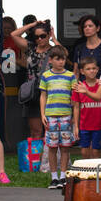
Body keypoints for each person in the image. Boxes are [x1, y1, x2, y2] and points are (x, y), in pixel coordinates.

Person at [39, 45, 76, 189]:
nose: (61, 62)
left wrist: (73, 114)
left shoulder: (71, 75)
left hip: (66, 115)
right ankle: (54, 177)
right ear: (50, 60)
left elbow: (74, 97)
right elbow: (43, 96)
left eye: (63, 59)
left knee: (65, 147)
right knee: (52, 147)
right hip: (51, 116)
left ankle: (63, 176)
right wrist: (42, 114)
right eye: (58, 59)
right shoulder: (46, 76)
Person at [21, 21, 57, 145]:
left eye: (43, 36)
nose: (40, 39)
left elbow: (65, 53)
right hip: (33, 93)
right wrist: (33, 25)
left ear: (48, 35)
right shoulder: (31, 47)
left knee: (51, 130)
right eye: (37, 37)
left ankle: (49, 161)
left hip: (51, 93)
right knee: (36, 131)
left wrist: (54, 38)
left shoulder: (54, 50)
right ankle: (36, 161)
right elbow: (14, 35)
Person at [72, 57, 101, 158]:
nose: (91, 71)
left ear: (97, 69)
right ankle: (86, 173)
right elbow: (76, 107)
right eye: (88, 69)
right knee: (84, 152)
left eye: (94, 68)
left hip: (99, 126)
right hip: (84, 125)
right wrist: (76, 126)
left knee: (96, 151)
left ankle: (95, 172)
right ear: (82, 71)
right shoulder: (78, 87)